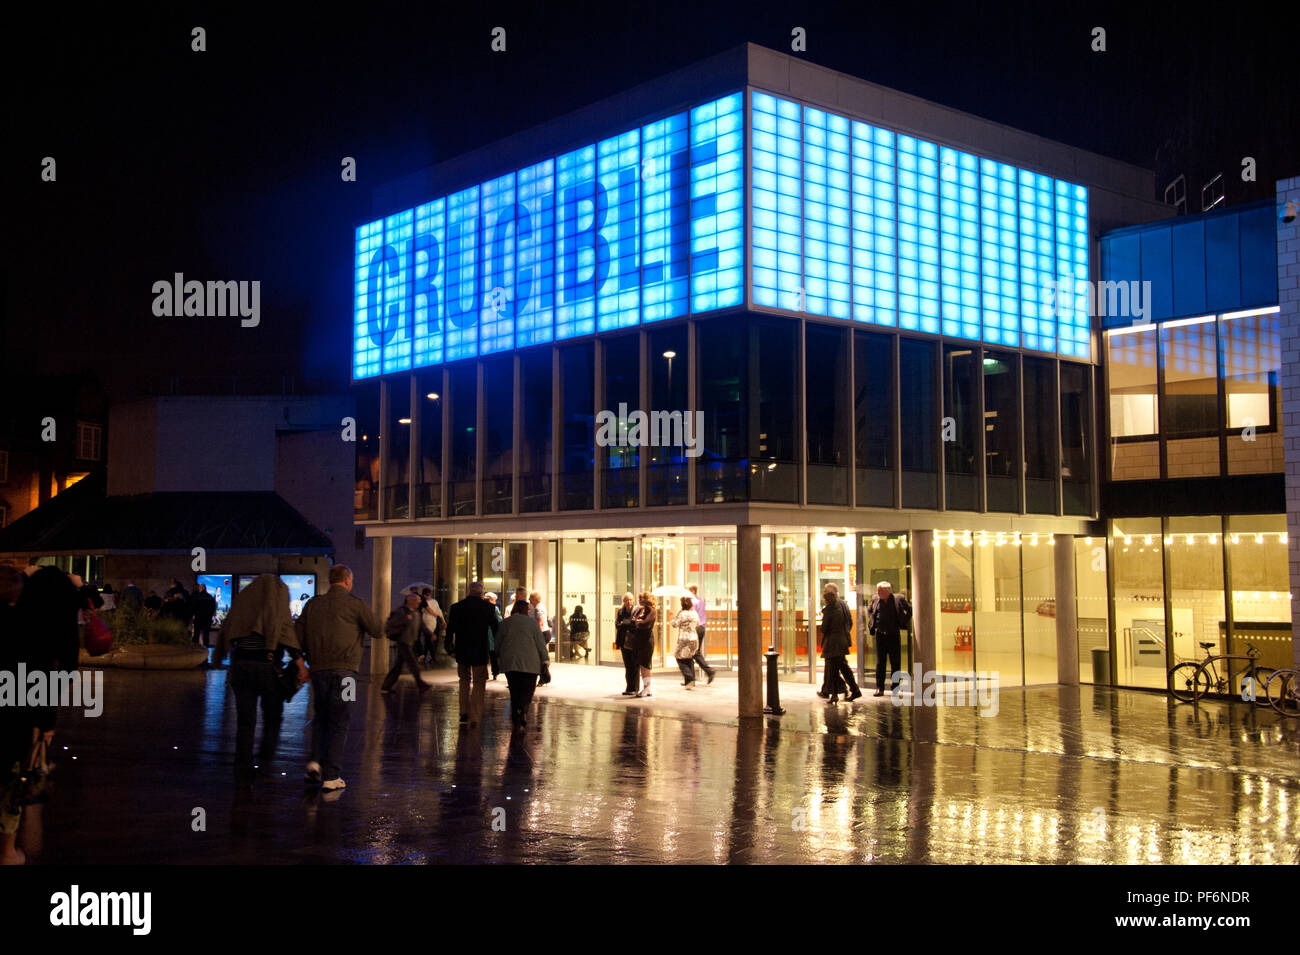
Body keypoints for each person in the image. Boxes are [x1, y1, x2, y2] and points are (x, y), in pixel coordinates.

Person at [213, 574, 306, 788]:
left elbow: (227, 630)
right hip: (266, 667)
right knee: (273, 717)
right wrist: (300, 664)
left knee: (245, 721)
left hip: (241, 667)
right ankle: (265, 764)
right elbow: (286, 633)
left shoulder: (242, 605)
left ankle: (243, 771)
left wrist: (218, 657)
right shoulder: (276, 605)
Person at [295, 565, 382, 790]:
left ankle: (314, 762)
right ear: (347, 580)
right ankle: (331, 775)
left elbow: (298, 636)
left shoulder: (312, 605)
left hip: (318, 671)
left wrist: (303, 663)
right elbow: (377, 630)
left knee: (321, 716)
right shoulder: (355, 604)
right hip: (347, 673)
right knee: (340, 719)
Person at [445, 581, 499, 726]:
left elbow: (450, 630)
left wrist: (449, 648)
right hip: (480, 649)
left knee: (464, 680)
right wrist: (498, 648)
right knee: (479, 682)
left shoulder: (456, 608)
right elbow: (495, 629)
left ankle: (463, 712)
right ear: (481, 593)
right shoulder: (488, 608)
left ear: (468, 591)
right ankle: (475, 716)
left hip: (462, 649)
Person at [495, 599, 551, 730]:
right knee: (528, 690)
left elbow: (498, 643)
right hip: (531, 663)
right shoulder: (532, 623)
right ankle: (523, 710)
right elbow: (540, 643)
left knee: (514, 690)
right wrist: (545, 659)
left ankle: (516, 714)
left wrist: (498, 656)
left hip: (511, 663)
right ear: (526, 610)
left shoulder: (505, 623)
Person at [380, 592, 432, 693]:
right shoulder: (402, 612)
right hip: (403, 642)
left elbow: (422, 626)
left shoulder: (416, 613)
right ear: (410, 601)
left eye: (419, 601)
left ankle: (386, 686)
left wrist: (431, 634)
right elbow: (392, 623)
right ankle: (421, 684)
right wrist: (405, 620)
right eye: (417, 600)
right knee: (413, 664)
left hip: (410, 642)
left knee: (398, 667)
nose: (419, 602)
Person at [867, 581, 912, 697]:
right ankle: (879, 687)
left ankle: (895, 687)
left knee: (895, 662)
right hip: (880, 635)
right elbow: (870, 610)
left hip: (893, 635)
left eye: (880, 591)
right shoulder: (875, 599)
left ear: (887, 591)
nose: (878, 593)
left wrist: (903, 622)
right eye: (878, 590)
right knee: (880, 663)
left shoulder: (898, 599)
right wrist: (872, 622)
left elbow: (910, 610)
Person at [817, 583, 859, 703]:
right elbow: (849, 621)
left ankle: (842, 691)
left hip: (833, 644)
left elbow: (824, 628)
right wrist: (844, 634)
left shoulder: (830, 609)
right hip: (842, 641)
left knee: (834, 668)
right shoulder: (842, 605)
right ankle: (835, 691)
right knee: (840, 667)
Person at [670, 596, 701, 689]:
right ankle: (690, 682)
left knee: (678, 657)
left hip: (684, 639)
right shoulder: (694, 613)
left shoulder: (682, 613)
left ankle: (689, 677)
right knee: (689, 658)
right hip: (694, 638)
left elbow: (674, 624)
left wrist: (671, 617)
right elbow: (698, 624)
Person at [687, 585, 715, 684]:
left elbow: (691, 616)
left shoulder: (693, 602)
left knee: (694, 652)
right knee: (691, 652)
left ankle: (709, 671)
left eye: (688, 590)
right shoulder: (700, 601)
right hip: (702, 627)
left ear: (693, 591)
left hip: (696, 628)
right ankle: (690, 678)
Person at [631, 592, 657, 698]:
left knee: (646, 664)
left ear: (647, 599)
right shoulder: (640, 609)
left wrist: (638, 622)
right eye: (639, 598)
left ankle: (647, 688)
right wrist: (637, 621)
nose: (639, 600)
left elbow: (646, 623)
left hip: (647, 640)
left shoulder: (652, 611)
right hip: (639, 640)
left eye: (641, 598)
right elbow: (633, 621)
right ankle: (645, 687)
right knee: (642, 664)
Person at [614, 593, 638, 695]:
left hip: (634, 641)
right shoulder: (620, 611)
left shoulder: (636, 611)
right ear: (623, 601)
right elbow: (617, 624)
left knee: (634, 665)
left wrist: (625, 624)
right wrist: (624, 624)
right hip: (624, 641)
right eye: (626, 600)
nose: (629, 602)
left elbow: (635, 625)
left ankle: (635, 688)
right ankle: (629, 688)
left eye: (630, 600)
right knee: (628, 666)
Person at [418, 587, 446, 663]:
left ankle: (426, 656)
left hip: (425, 620)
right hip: (433, 621)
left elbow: (425, 610)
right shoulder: (435, 602)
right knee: (430, 639)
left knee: (428, 639)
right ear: (429, 593)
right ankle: (431, 657)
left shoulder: (423, 602)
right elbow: (439, 612)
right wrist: (443, 621)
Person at [191, 583, 218, 648]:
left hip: (198, 618)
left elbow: (193, 607)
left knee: (196, 634)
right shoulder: (210, 597)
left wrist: (193, 616)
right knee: (206, 634)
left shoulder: (197, 597)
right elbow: (213, 608)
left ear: (201, 589)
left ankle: (195, 648)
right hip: (207, 619)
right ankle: (206, 648)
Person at [485, 592, 503, 679]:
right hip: (491, 633)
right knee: (492, 653)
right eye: (494, 600)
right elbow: (499, 620)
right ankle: (495, 672)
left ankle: (485, 673)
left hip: (484, 633)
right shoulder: (494, 609)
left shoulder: (481, 607)